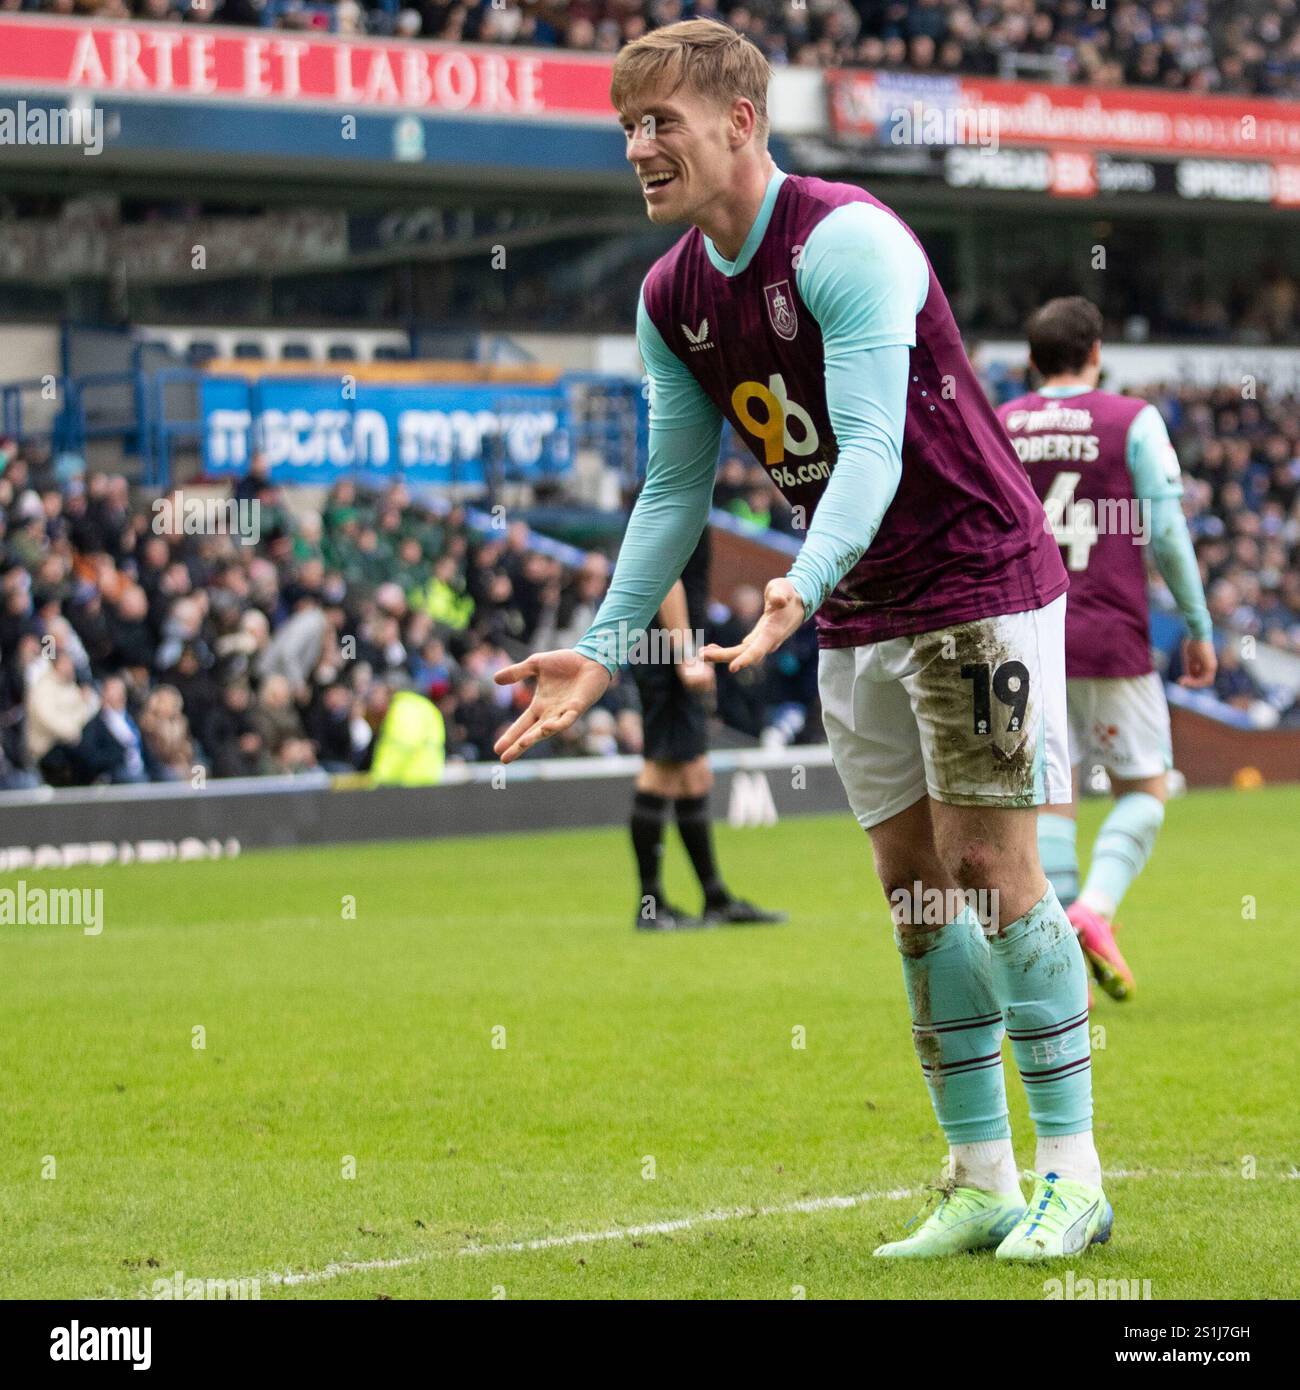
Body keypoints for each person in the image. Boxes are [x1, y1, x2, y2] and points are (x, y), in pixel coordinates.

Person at [495, 19, 1110, 1262]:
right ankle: (981, 1179)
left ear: (739, 121)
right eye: (625, 126)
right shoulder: (671, 295)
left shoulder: (847, 240)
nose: (636, 147)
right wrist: (606, 646)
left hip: (973, 575)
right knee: (912, 888)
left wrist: (796, 580)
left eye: (659, 121)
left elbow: (873, 443)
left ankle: (1075, 1176)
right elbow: (674, 490)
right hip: (856, 601)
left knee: (991, 868)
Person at [997, 297, 1217, 1001]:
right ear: (1097, 352)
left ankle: (1061, 960)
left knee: (1051, 794)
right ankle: (1095, 908)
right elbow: (1169, 533)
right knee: (1146, 791)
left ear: (1032, 361)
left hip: (1023, 638)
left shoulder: (1002, 426)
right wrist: (1199, 627)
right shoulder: (1131, 420)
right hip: (1108, 632)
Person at [627, 527, 786, 930]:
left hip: (670, 644)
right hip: (663, 648)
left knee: (693, 776)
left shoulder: (684, 491)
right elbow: (666, 575)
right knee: (660, 771)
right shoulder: (677, 490)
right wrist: (683, 655)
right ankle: (651, 905)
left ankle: (714, 898)